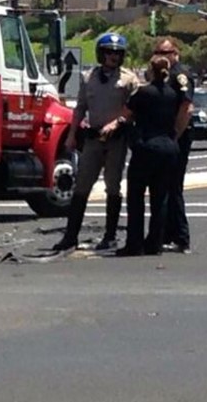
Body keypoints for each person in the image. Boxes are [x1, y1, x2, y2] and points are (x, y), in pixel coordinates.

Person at [52, 32, 142, 251]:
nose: (113, 56)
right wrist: (72, 135)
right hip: (92, 138)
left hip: (116, 139)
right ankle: (70, 236)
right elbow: (80, 108)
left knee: (113, 186)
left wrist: (118, 122)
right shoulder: (88, 77)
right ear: (101, 54)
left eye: (117, 53)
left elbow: (135, 109)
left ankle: (109, 236)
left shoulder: (129, 79)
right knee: (82, 186)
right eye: (109, 52)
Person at [115, 54, 192, 256]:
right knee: (161, 198)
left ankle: (135, 243)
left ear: (150, 70)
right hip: (168, 147)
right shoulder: (172, 94)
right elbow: (183, 112)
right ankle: (155, 243)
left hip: (146, 146)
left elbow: (126, 113)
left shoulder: (143, 93)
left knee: (136, 196)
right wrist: (174, 135)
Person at [155, 38, 196, 253]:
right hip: (167, 136)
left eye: (165, 52)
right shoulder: (165, 74)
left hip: (177, 137)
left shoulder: (180, 75)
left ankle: (181, 236)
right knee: (166, 186)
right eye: (158, 52)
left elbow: (186, 108)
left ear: (175, 53)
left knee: (173, 186)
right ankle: (168, 233)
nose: (161, 55)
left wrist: (175, 136)